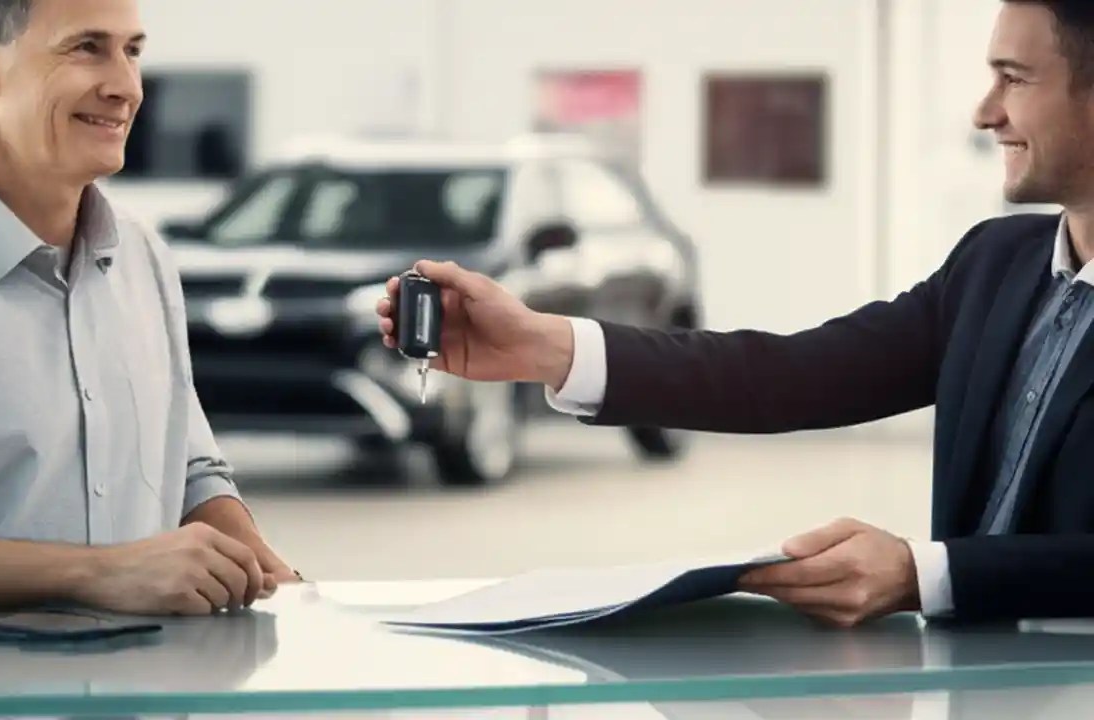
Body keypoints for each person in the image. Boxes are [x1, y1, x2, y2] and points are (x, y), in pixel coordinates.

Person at [379, 0, 1094, 627]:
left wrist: (928, 576)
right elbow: (791, 373)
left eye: (1015, 78)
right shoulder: (995, 263)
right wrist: (547, 346)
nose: (984, 111)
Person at [0, 0, 299, 614]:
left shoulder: (144, 257)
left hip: (147, 698)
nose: (126, 87)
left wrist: (282, 584)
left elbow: (189, 471)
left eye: (133, 51)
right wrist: (95, 575)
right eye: (87, 47)